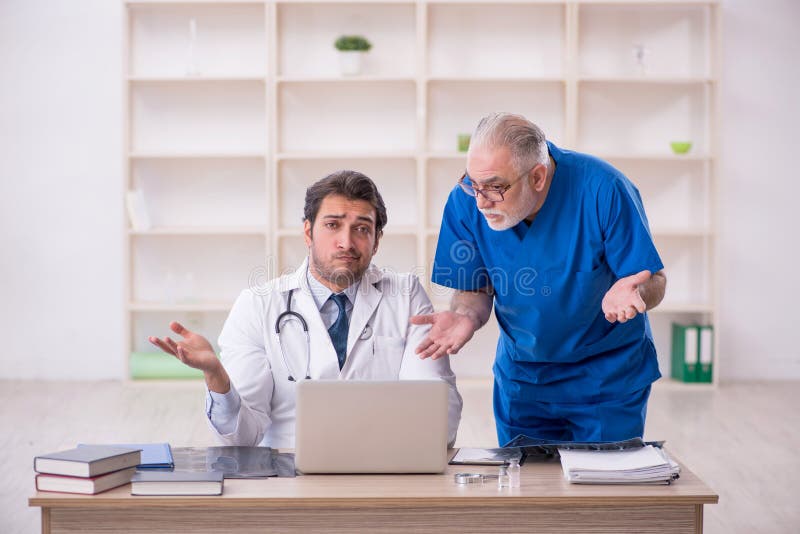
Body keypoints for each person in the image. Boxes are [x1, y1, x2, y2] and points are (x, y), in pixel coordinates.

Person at [149, 170, 463, 448]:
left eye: (362, 228)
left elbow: (438, 421)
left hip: (384, 472)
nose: (346, 242)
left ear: (376, 240)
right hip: (289, 475)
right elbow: (242, 438)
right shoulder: (258, 305)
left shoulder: (406, 296)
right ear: (307, 232)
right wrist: (216, 376)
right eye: (333, 225)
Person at [412, 112, 666, 446]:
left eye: (495, 187)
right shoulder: (467, 201)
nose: (481, 200)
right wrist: (465, 315)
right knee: (526, 491)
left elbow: (654, 279)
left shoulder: (603, 189)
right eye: (473, 184)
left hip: (606, 378)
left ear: (538, 177)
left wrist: (636, 291)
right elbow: (474, 287)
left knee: (604, 492)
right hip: (524, 379)